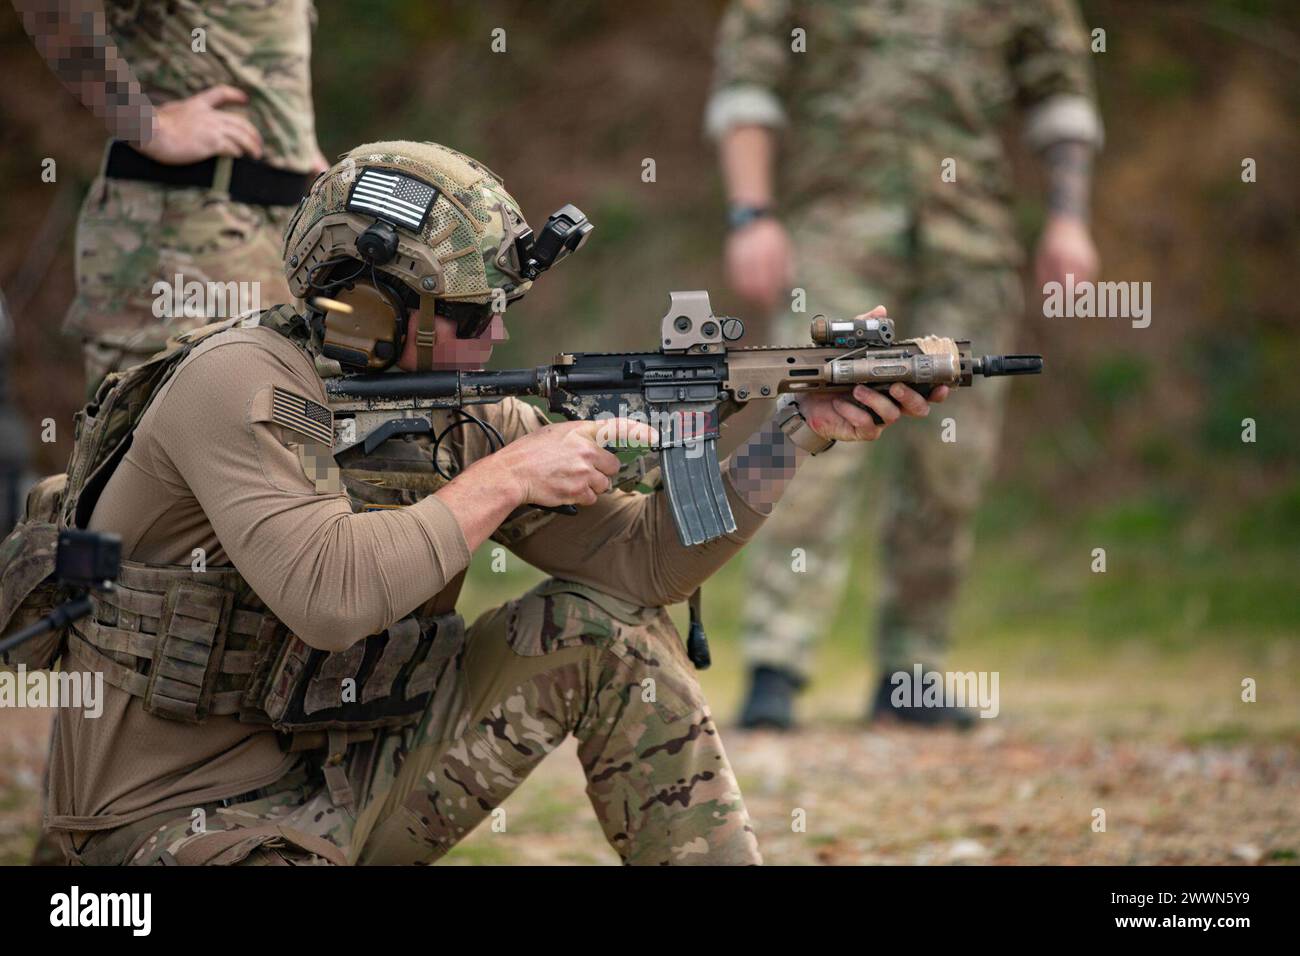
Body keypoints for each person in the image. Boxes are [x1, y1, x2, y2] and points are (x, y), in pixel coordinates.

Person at [34, 141, 945, 865]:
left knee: (608, 630)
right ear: (368, 309)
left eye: (500, 305)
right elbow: (329, 595)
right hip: (161, 830)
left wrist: (795, 430)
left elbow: (647, 563)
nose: (498, 331)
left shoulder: (455, 411)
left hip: (349, 795)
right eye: (471, 315)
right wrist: (513, 474)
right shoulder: (237, 383)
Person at [705, 0, 1102, 729]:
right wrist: (750, 214)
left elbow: (1060, 92)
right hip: (836, 233)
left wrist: (1069, 217)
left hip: (970, 240)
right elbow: (748, 82)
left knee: (952, 460)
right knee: (808, 430)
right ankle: (775, 666)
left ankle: (911, 673)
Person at [15, 0, 326, 391]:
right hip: (177, 248)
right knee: (157, 441)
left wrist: (298, 155)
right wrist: (147, 125)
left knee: (270, 440)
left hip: (270, 244)